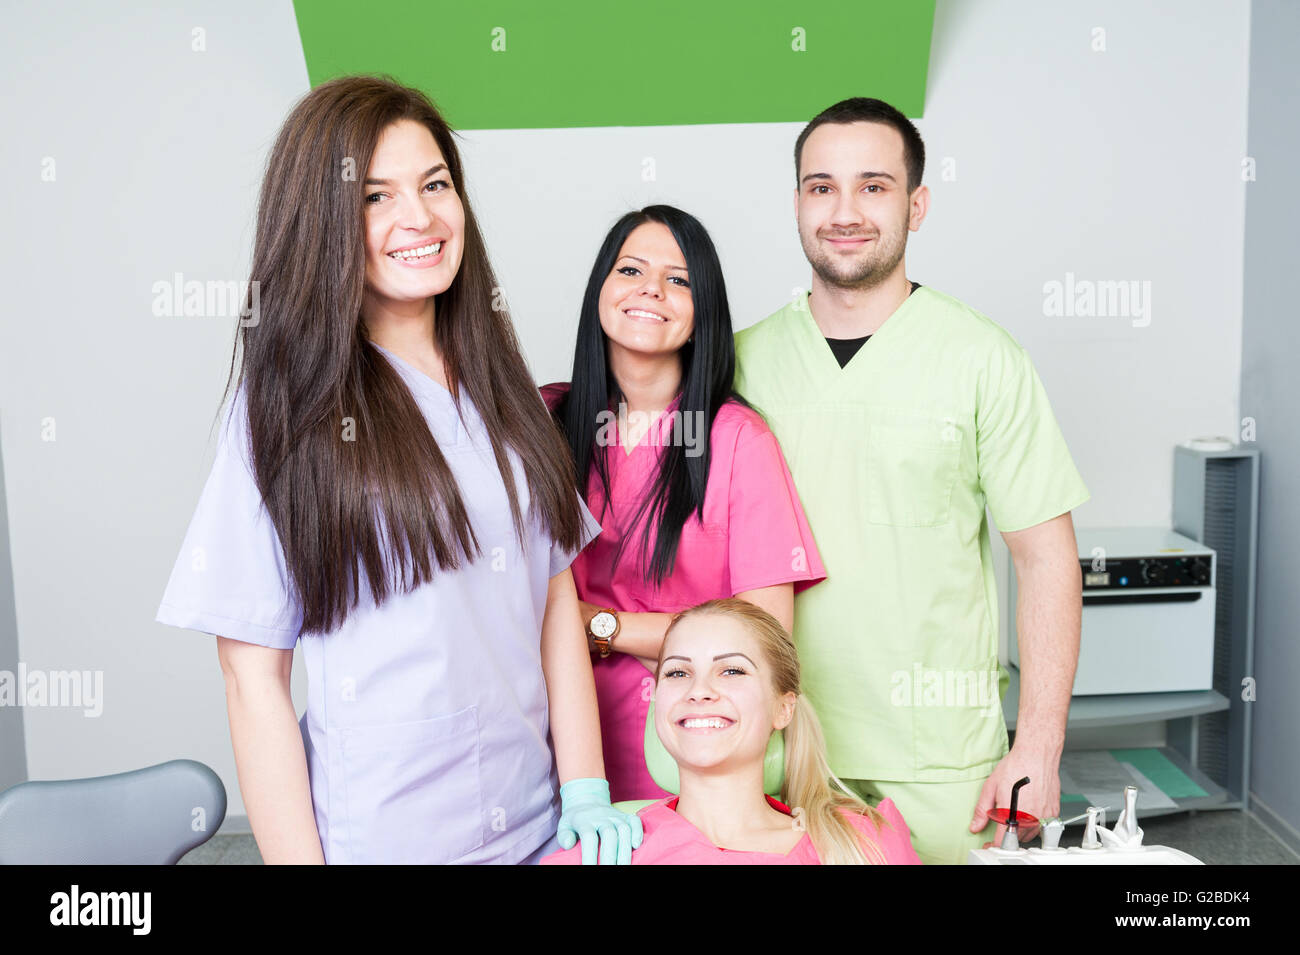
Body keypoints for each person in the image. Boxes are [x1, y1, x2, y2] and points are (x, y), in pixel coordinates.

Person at [155, 75, 639, 865]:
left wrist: (585, 788)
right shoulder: (284, 412)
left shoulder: (499, 379)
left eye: (435, 183)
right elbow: (253, 682)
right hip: (391, 840)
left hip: (538, 823)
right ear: (322, 222)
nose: (419, 217)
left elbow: (556, 597)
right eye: (374, 196)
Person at [733, 98, 1089, 864]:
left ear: (917, 204)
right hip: (777, 751)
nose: (845, 210)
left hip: (939, 764)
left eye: (874, 185)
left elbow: (1046, 559)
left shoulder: (983, 359)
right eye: (821, 186)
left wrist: (1039, 745)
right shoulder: (742, 363)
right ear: (797, 202)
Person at [541, 205, 826, 803]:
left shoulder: (738, 440)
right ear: (600, 292)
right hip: (550, 745)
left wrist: (601, 625)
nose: (651, 289)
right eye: (631, 270)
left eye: (678, 280)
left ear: (702, 318)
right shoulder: (542, 421)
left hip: (687, 751)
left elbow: (763, 636)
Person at [542, 598, 922, 864]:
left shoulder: (865, 844)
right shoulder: (598, 855)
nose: (700, 690)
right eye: (677, 672)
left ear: (783, 707)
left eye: (732, 670)